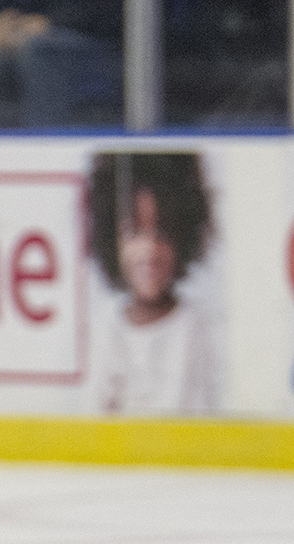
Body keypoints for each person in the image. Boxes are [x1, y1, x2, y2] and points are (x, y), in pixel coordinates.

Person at [84, 150, 220, 415]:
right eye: (134, 233)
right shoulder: (106, 326)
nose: (149, 251)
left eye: (164, 233)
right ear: (110, 238)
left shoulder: (197, 325)